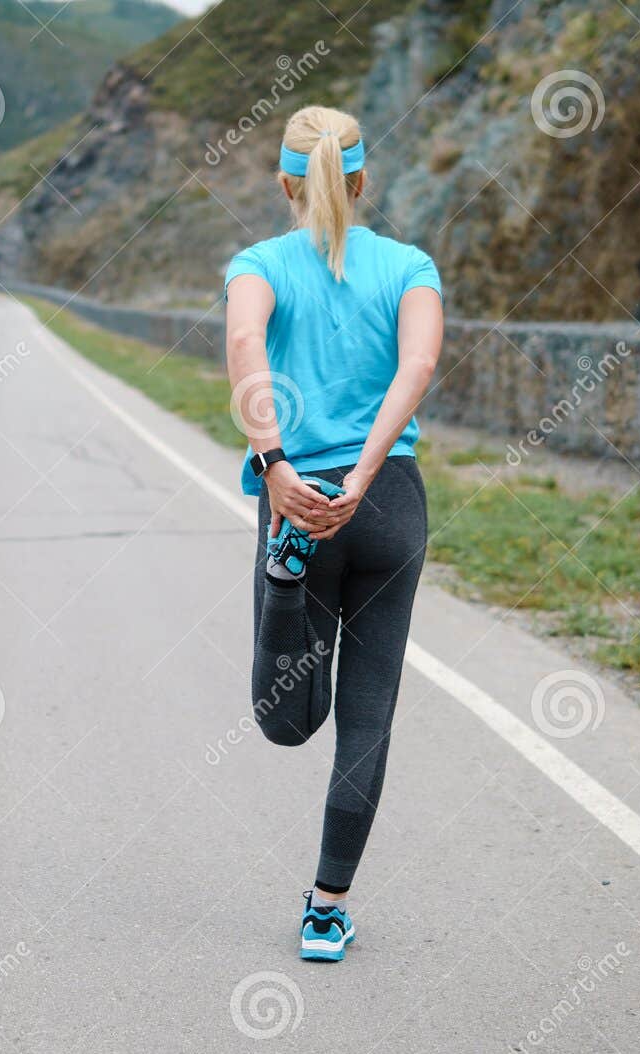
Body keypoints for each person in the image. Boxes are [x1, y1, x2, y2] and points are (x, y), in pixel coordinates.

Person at [224, 105, 443, 962]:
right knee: (368, 715)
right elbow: (419, 364)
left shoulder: (257, 263)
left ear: (284, 183)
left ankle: (286, 582)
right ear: (364, 181)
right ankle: (326, 908)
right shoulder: (410, 265)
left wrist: (278, 466)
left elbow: (245, 339)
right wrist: (363, 476)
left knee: (286, 720)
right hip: (388, 502)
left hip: (294, 497)